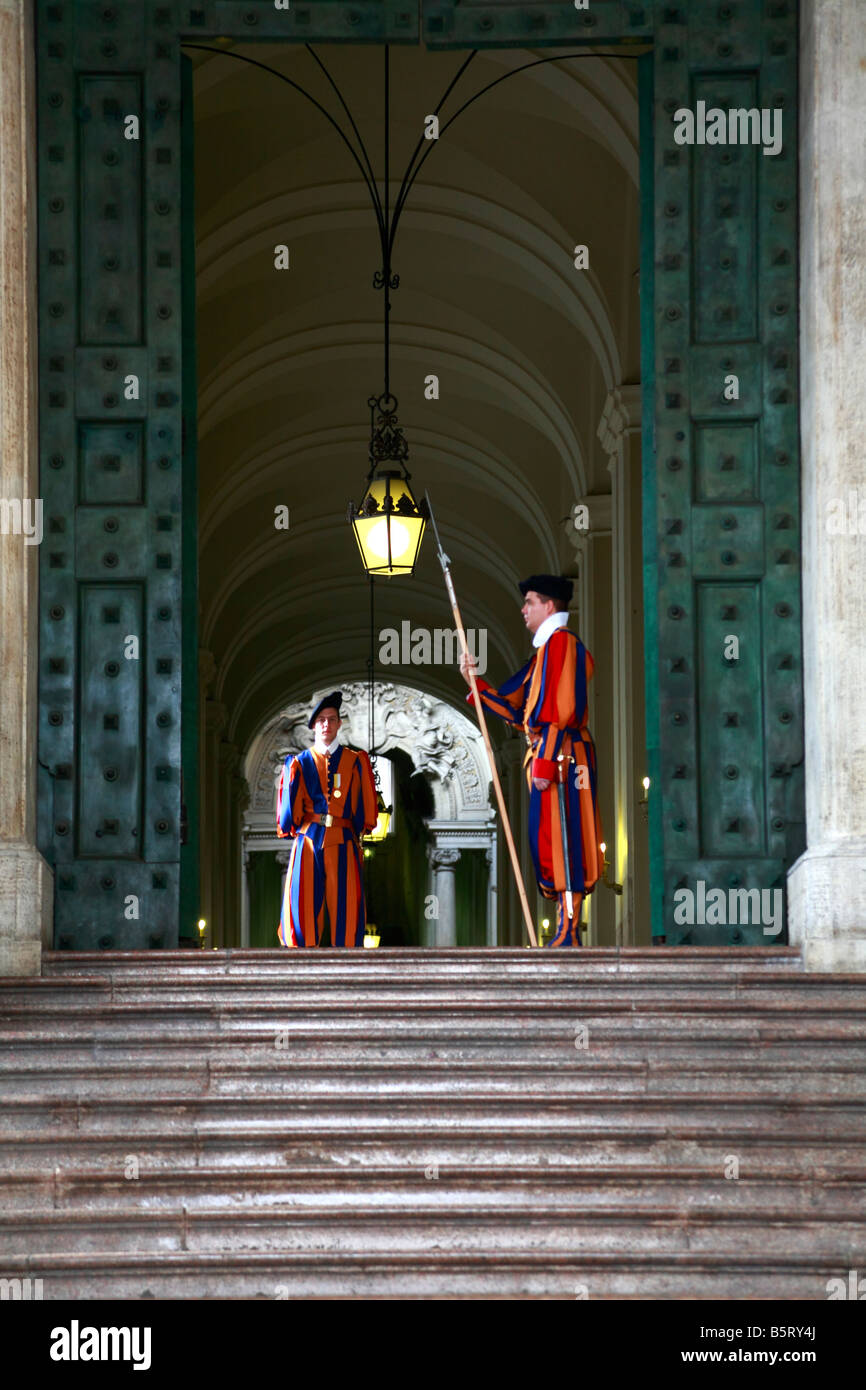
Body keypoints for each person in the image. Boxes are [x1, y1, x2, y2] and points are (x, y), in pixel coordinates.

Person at [459, 575, 603, 947]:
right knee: (548, 840)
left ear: (550, 606)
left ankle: (570, 929)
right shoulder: (544, 652)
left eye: (530, 602)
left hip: (563, 759)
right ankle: (563, 925)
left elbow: (559, 710)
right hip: (549, 756)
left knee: (566, 839)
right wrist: (474, 681)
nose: (524, 610)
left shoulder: (561, 644)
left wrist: (545, 761)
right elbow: (517, 706)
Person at [276, 691, 378, 947]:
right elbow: (289, 814)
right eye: (321, 720)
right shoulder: (298, 763)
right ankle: (303, 967)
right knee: (302, 905)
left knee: (347, 906)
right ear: (313, 726)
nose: (326, 724)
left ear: (339, 724)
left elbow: (364, 807)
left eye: (331, 719)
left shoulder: (356, 761)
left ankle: (346, 967)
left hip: (343, 837)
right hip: (308, 839)